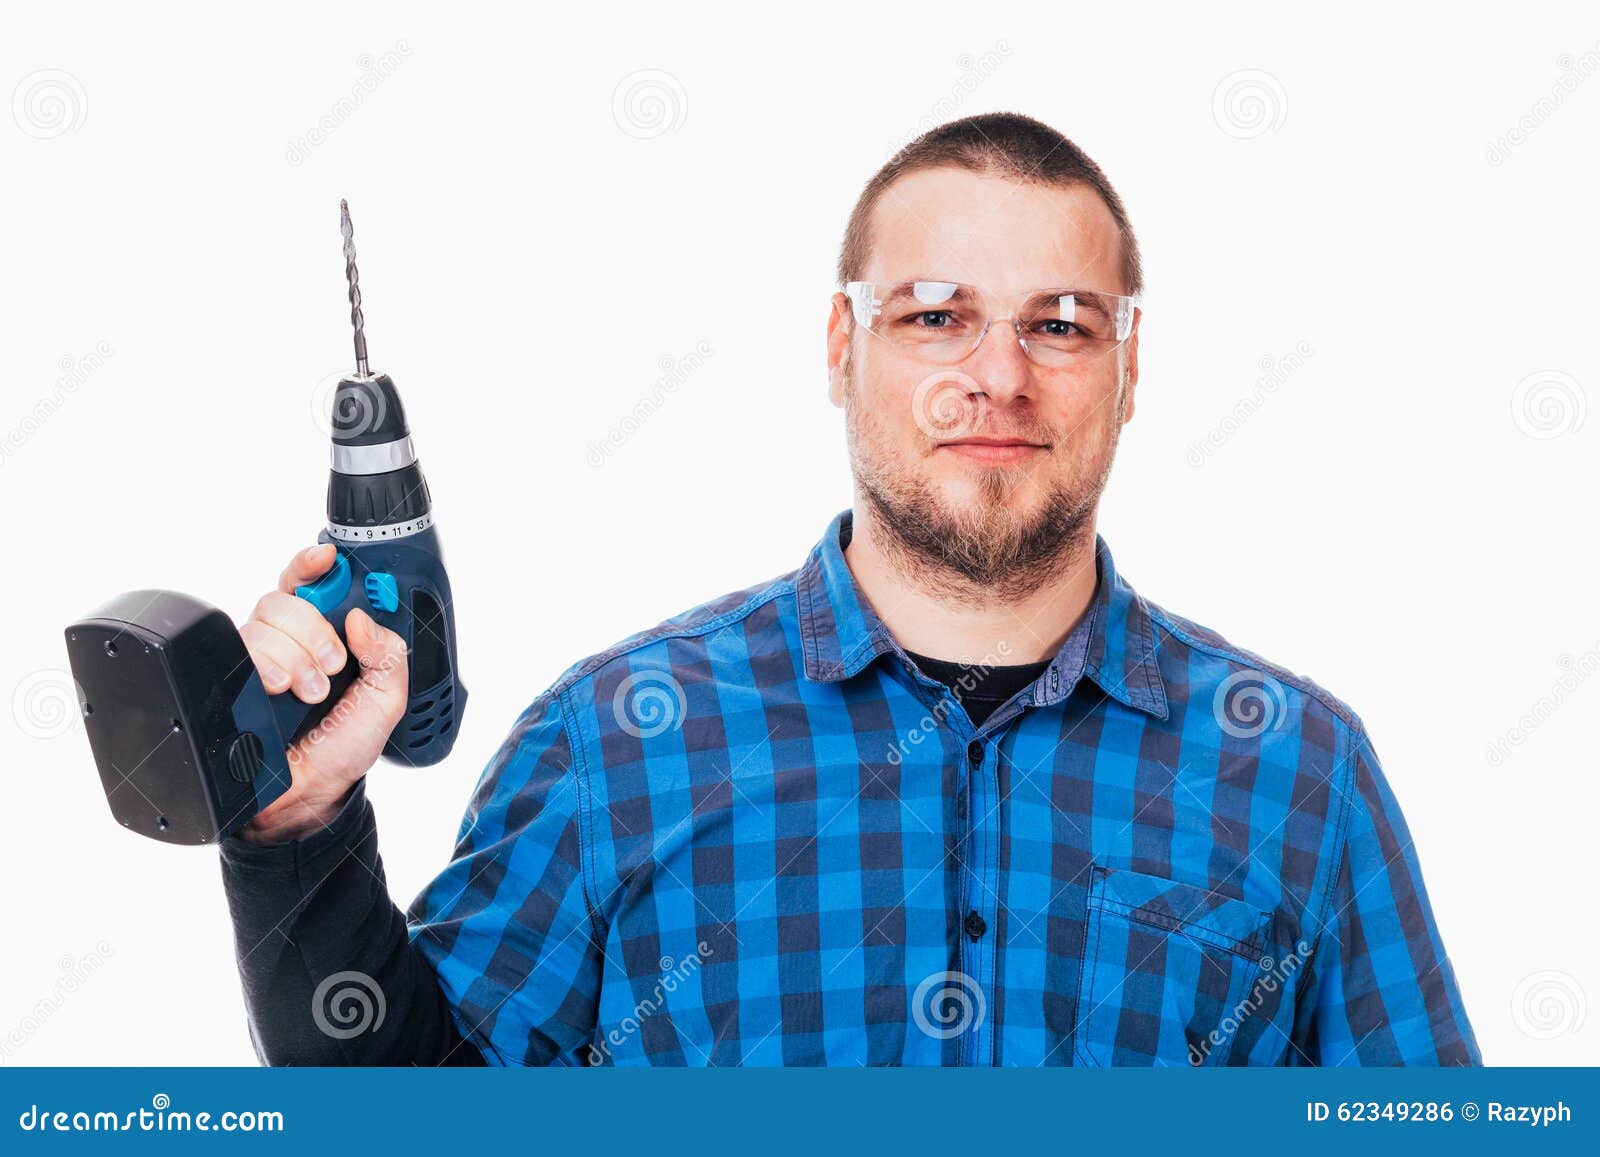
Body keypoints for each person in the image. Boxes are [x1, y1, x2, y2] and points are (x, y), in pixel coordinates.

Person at [219, 111, 1480, 1067]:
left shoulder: (1298, 773)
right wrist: (300, 832)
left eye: (1059, 323)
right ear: (843, 348)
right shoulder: (614, 744)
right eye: (937, 317)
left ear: (1127, 366)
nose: (999, 375)